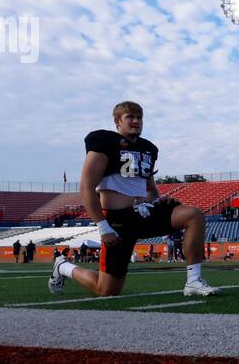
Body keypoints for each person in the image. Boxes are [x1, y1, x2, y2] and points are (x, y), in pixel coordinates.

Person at [48, 101, 217, 298]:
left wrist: (157, 201)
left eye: (139, 117)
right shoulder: (104, 142)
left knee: (193, 215)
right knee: (107, 291)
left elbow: (150, 189)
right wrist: (103, 227)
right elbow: (86, 187)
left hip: (143, 213)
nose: (136, 121)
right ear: (118, 121)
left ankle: (194, 281)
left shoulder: (147, 149)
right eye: (130, 117)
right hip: (118, 221)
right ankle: (63, 266)